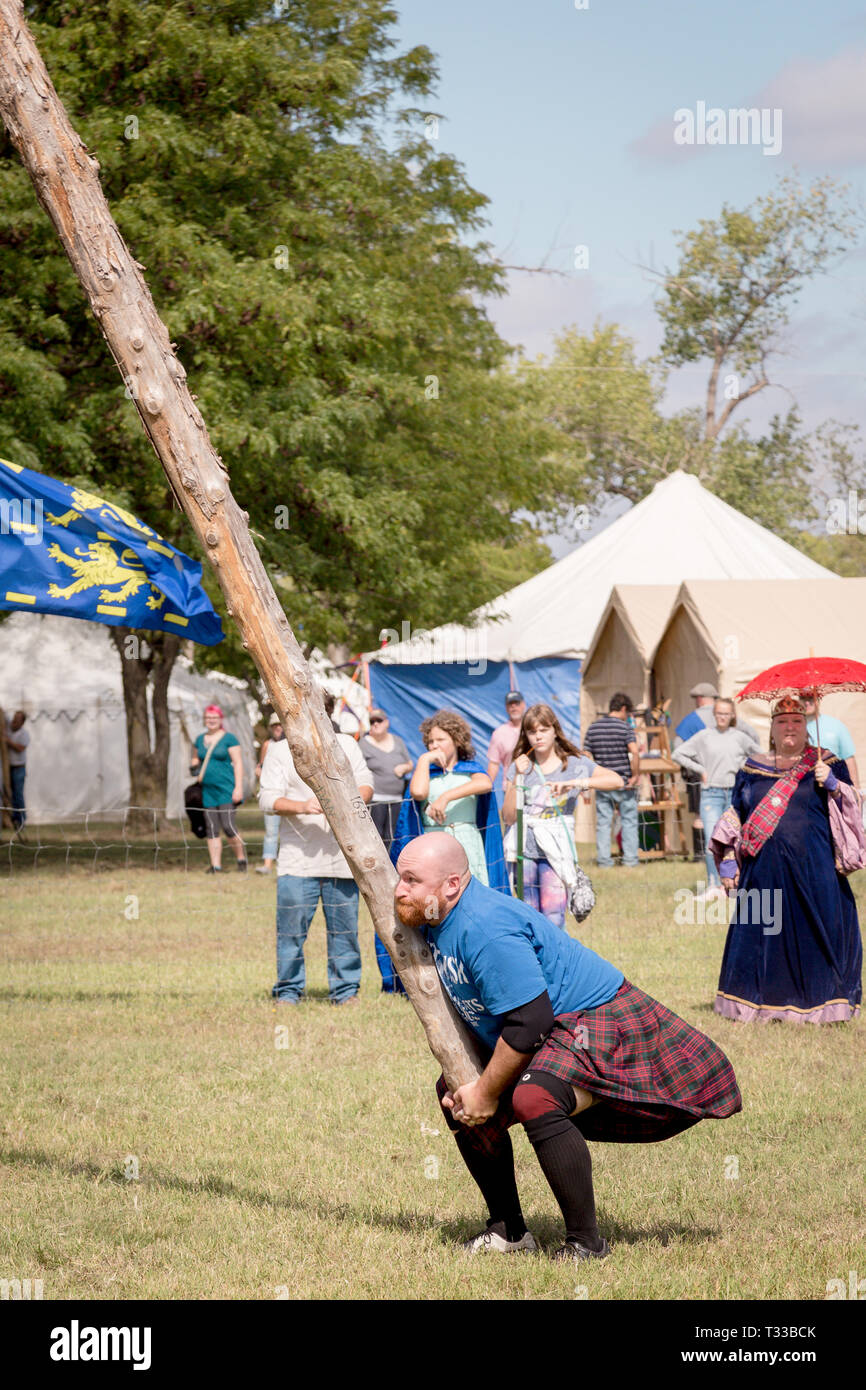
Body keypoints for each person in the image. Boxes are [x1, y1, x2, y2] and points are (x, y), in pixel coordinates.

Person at [394, 833, 742, 1260]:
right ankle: (508, 1230)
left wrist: (487, 1092)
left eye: (411, 880)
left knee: (534, 1096)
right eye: (399, 878)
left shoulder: (483, 927)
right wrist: (474, 1085)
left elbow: (530, 1022)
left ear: (452, 885)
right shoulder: (433, 918)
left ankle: (585, 1243)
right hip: (545, 1023)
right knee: (454, 1086)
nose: (399, 890)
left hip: (595, 1017)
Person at [710, 696, 864, 1024]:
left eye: (796, 721)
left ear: (807, 727)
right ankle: (756, 1006)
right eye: (782, 722)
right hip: (762, 872)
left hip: (816, 871)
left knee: (815, 938)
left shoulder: (826, 763)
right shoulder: (752, 768)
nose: (789, 727)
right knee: (760, 939)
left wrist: (833, 783)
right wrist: (728, 861)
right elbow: (735, 813)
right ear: (772, 729)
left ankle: (823, 1007)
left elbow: (853, 806)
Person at [258, 697, 373, 1005]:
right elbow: (267, 798)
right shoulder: (280, 750)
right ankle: (288, 991)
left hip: (342, 859)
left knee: (344, 931)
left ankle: (346, 992)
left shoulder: (346, 744)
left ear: (325, 710)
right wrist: (303, 806)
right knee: (291, 933)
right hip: (297, 861)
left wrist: (347, 801)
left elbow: (366, 783)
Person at [502, 703, 622, 928]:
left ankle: (555, 951)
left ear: (555, 730)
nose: (538, 736)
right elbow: (508, 817)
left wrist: (576, 783)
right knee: (529, 914)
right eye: (532, 731)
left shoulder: (574, 763)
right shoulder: (520, 766)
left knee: (554, 914)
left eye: (543, 730)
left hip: (556, 851)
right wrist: (517, 777)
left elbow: (616, 780)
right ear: (525, 734)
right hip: (524, 850)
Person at [391, 709, 509, 891]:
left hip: (466, 838)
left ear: (456, 740)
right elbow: (419, 793)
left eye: (440, 740)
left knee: (468, 890)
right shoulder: (426, 771)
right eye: (430, 741)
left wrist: (446, 797)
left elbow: (485, 783)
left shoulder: (470, 769)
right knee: (437, 891)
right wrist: (424, 760)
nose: (434, 745)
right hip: (433, 840)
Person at [672, 698, 759, 900]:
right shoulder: (704, 736)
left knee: (736, 841)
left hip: (735, 795)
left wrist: (744, 768)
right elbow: (678, 753)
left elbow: (760, 755)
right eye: (719, 713)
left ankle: (735, 885)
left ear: (732, 715)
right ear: (714, 714)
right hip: (711, 793)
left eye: (726, 714)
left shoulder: (740, 737)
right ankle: (713, 884)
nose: (722, 717)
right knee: (712, 840)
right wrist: (700, 769)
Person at [360, 709, 413, 991]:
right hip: (376, 802)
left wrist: (404, 769)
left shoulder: (398, 741)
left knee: (395, 843)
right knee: (377, 843)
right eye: (372, 721)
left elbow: (409, 762)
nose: (375, 725)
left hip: (397, 800)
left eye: (379, 720)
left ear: (387, 722)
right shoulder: (364, 743)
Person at [583, 693, 640, 868]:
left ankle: (604, 861)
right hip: (623, 782)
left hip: (602, 783)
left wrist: (590, 779)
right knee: (629, 821)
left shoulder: (593, 728)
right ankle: (630, 860)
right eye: (627, 713)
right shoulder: (625, 728)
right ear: (623, 709)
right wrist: (635, 775)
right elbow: (634, 751)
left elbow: (586, 755)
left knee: (603, 823)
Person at [190, 704, 247, 873]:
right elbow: (195, 758)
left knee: (228, 826)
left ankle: (241, 859)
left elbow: (238, 763)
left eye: (214, 717)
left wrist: (238, 788)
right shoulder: (199, 739)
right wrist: (194, 766)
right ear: (204, 720)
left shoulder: (229, 739)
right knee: (212, 828)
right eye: (208, 717)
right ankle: (215, 866)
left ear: (220, 719)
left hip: (226, 789)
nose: (211, 720)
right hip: (207, 791)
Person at [803, 696, 859, 788]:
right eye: (803, 698)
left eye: (811, 698)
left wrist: (856, 788)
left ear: (818, 700)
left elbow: (848, 757)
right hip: (806, 786)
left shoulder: (836, 725)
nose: (807, 703)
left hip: (836, 784)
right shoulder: (794, 728)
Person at [255, 713, 285, 875]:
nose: (278, 727)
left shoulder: (292, 743)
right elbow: (260, 766)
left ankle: (285, 862)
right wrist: (261, 774)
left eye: (280, 724)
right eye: (275, 725)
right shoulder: (268, 745)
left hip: (290, 793)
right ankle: (267, 864)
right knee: (271, 830)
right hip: (273, 793)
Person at [486, 691, 526, 791]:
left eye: (517, 703)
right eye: (510, 704)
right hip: (511, 786)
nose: (513, 707)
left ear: (523, 705)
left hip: (535, 786)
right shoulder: (499, 733)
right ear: (506, 708)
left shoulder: (534, 728)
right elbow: (494, 764)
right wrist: (486, 786)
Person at [3, 710, 30, 831]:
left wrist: (8, 741)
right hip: (9, 768)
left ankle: (22, 820)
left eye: (17, 719)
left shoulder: (24, 734)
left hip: (19, 769)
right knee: (10, 794)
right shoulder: (10, 728)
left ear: (22, 722)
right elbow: (4, 716)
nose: (14, 720)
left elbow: (20, 748)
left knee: (18, 795)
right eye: (14, 717)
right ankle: (13, 818)